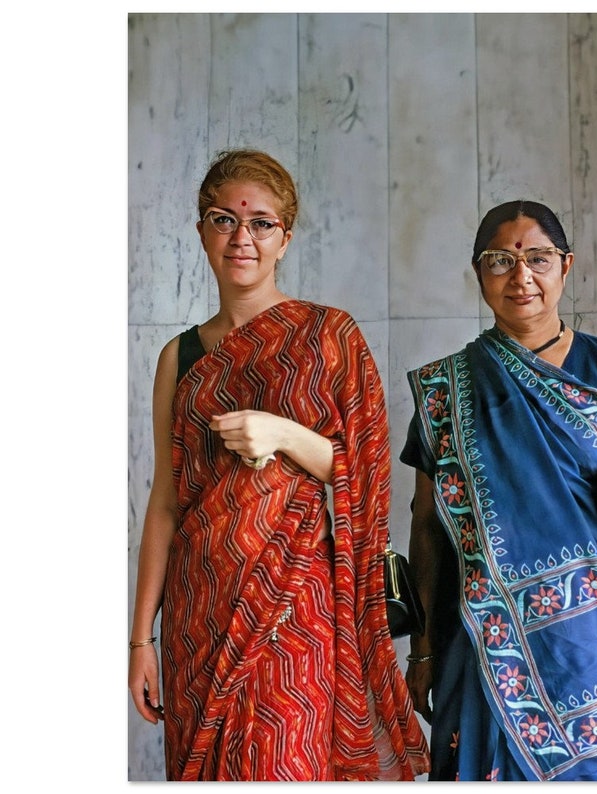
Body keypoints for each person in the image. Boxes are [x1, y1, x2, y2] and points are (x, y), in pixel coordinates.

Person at [128, 148, 430, 781]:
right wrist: (140, 640)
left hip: (297, 605)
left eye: (261, 223)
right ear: (201, 230)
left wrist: (287, 433)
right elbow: (163, 503)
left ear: (285, 237)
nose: (243, 238)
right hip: (198, 608)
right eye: (223, 219)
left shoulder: (329, 336)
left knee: (284, 763)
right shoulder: (177, 358)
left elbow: (366, 472)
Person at [400, 200, 597, 782]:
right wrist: (421, 651)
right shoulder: (447, 391)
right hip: (481, 648)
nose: (521, 277)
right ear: (478, 274)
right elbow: (426, 529)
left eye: (538, 259)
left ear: (565, 267)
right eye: (500, 261)